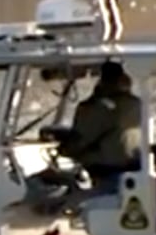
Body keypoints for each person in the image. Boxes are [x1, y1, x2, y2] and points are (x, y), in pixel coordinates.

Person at [56, 60, 142, 195]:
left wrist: (63, 149)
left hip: (105, 172)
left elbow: (81, 139)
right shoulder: (136, 104)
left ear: (103, 80)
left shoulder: (97, 107)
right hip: (132, 169)